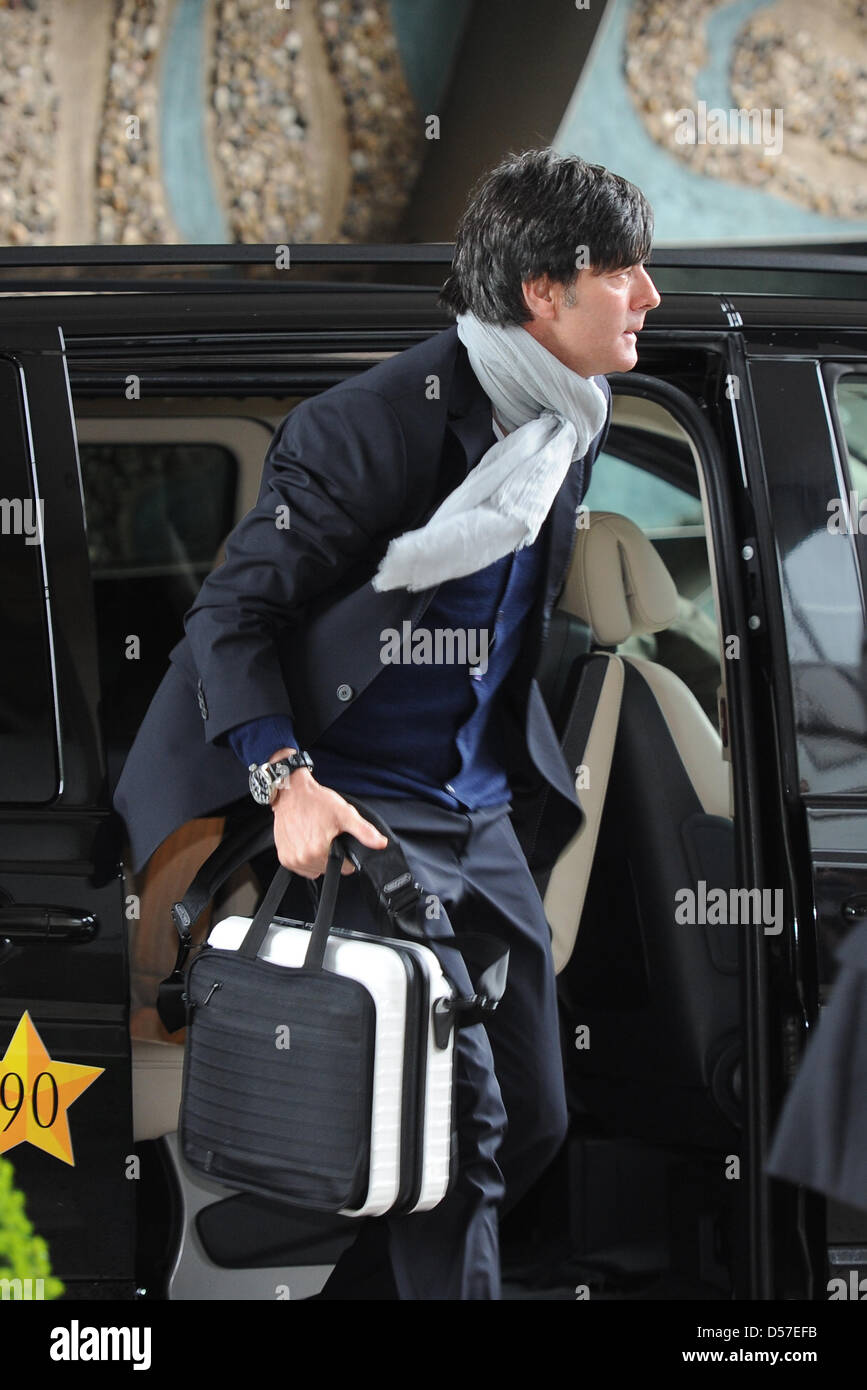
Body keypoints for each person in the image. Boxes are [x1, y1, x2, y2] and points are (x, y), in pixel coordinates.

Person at [113, 146, 660, 1299]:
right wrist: (286, 780)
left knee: (536, 1117)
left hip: (484, 807)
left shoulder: (573, 416)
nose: (651, 296)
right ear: (543, 293)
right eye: (626, 271)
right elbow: (229, 619)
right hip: (361, 805)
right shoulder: (369, 428)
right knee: (456, 1130)